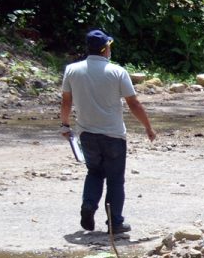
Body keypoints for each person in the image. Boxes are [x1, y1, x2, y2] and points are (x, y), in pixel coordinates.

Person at [59, 29, 156, 233]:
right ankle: (115, 223)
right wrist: (148, 127)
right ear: (105, 49)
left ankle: (88, 205)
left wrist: (65, 125)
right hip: (113, 135)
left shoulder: (72, 70)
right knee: (115, 179)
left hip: (86, 134)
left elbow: (66, 101)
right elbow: (134, 103)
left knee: (94, 172)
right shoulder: (117, 72)